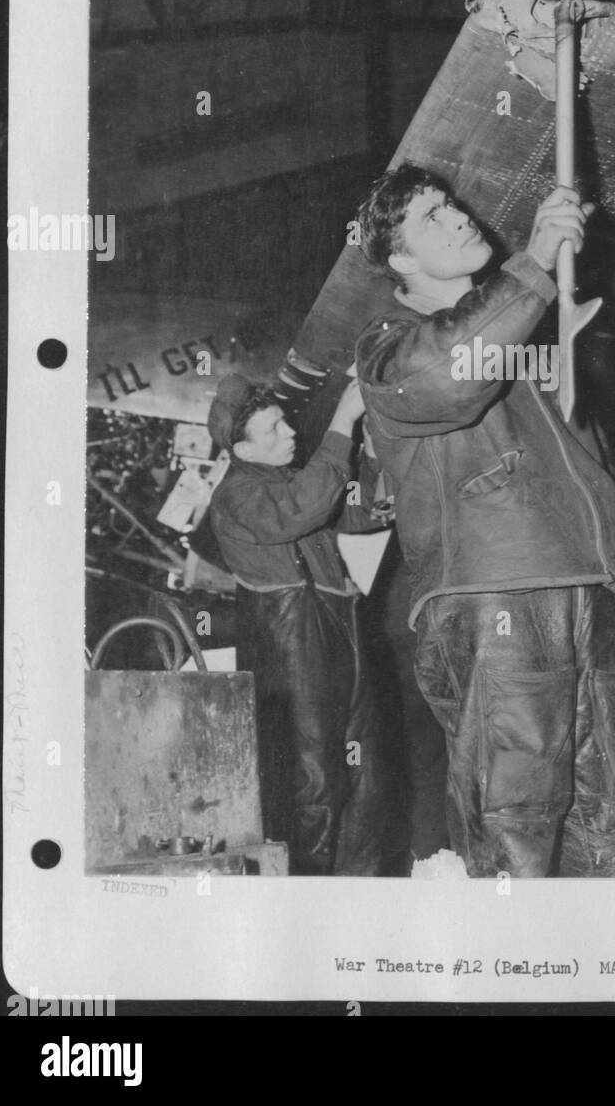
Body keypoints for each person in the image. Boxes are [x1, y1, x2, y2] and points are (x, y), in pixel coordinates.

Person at [354, 164, 615, 878]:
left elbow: (587, 477)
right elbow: (449, 376)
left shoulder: (524, 349)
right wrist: (533, 265)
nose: (460, 217)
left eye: (454, 204)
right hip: (497, 594)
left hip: (592, 591)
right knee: (516, 830)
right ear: (400, 260)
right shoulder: (388, 349)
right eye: (430, 218)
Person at [207, 372, 389, 875]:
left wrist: (371, 454)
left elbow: (356, 512)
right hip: (294, 650)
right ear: (242, 450)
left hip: (337, 640)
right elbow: (303, 510)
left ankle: (359, 896)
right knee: (316, 784)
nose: (289, 433)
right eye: (273, 431)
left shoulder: (289, 480)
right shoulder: (237, 499)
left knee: (365, 779)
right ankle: (308, 899)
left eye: (283, 421)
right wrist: (341, 425)